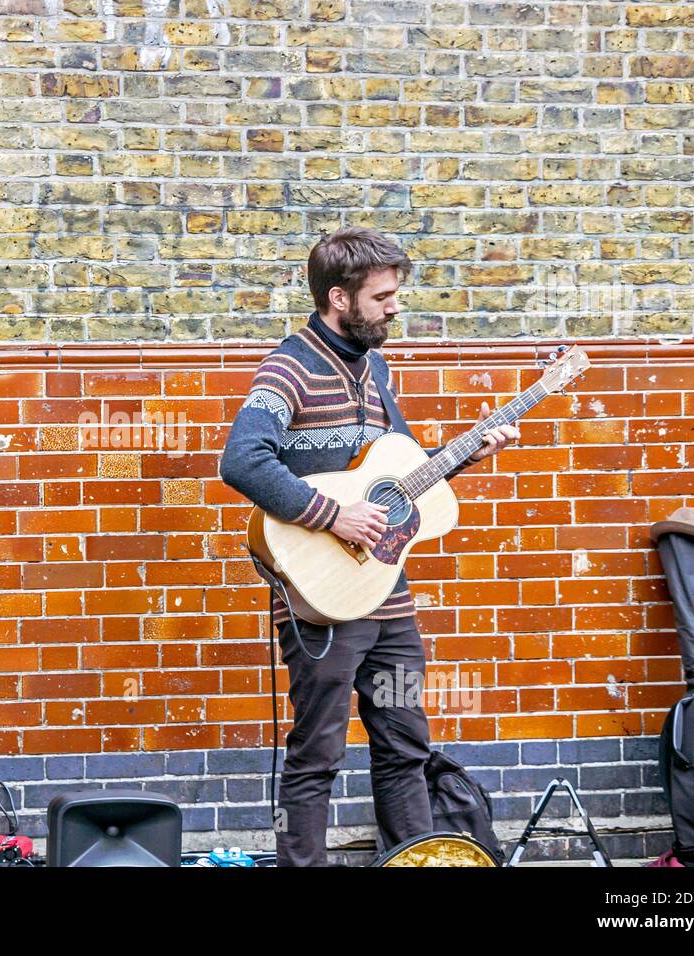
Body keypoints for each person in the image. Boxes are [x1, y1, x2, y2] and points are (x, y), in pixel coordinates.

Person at [219, 226, 519, 866]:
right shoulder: (288, 368)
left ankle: (414, 863)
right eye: (382, 297)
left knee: (405, 746)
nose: (395, 307)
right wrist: (333, 515)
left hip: (389, 595)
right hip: (322, 601)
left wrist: (465, 455)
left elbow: (404, 476)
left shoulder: (374, 366)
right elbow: (242, 461)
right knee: (317, 755)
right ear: (339, 298)